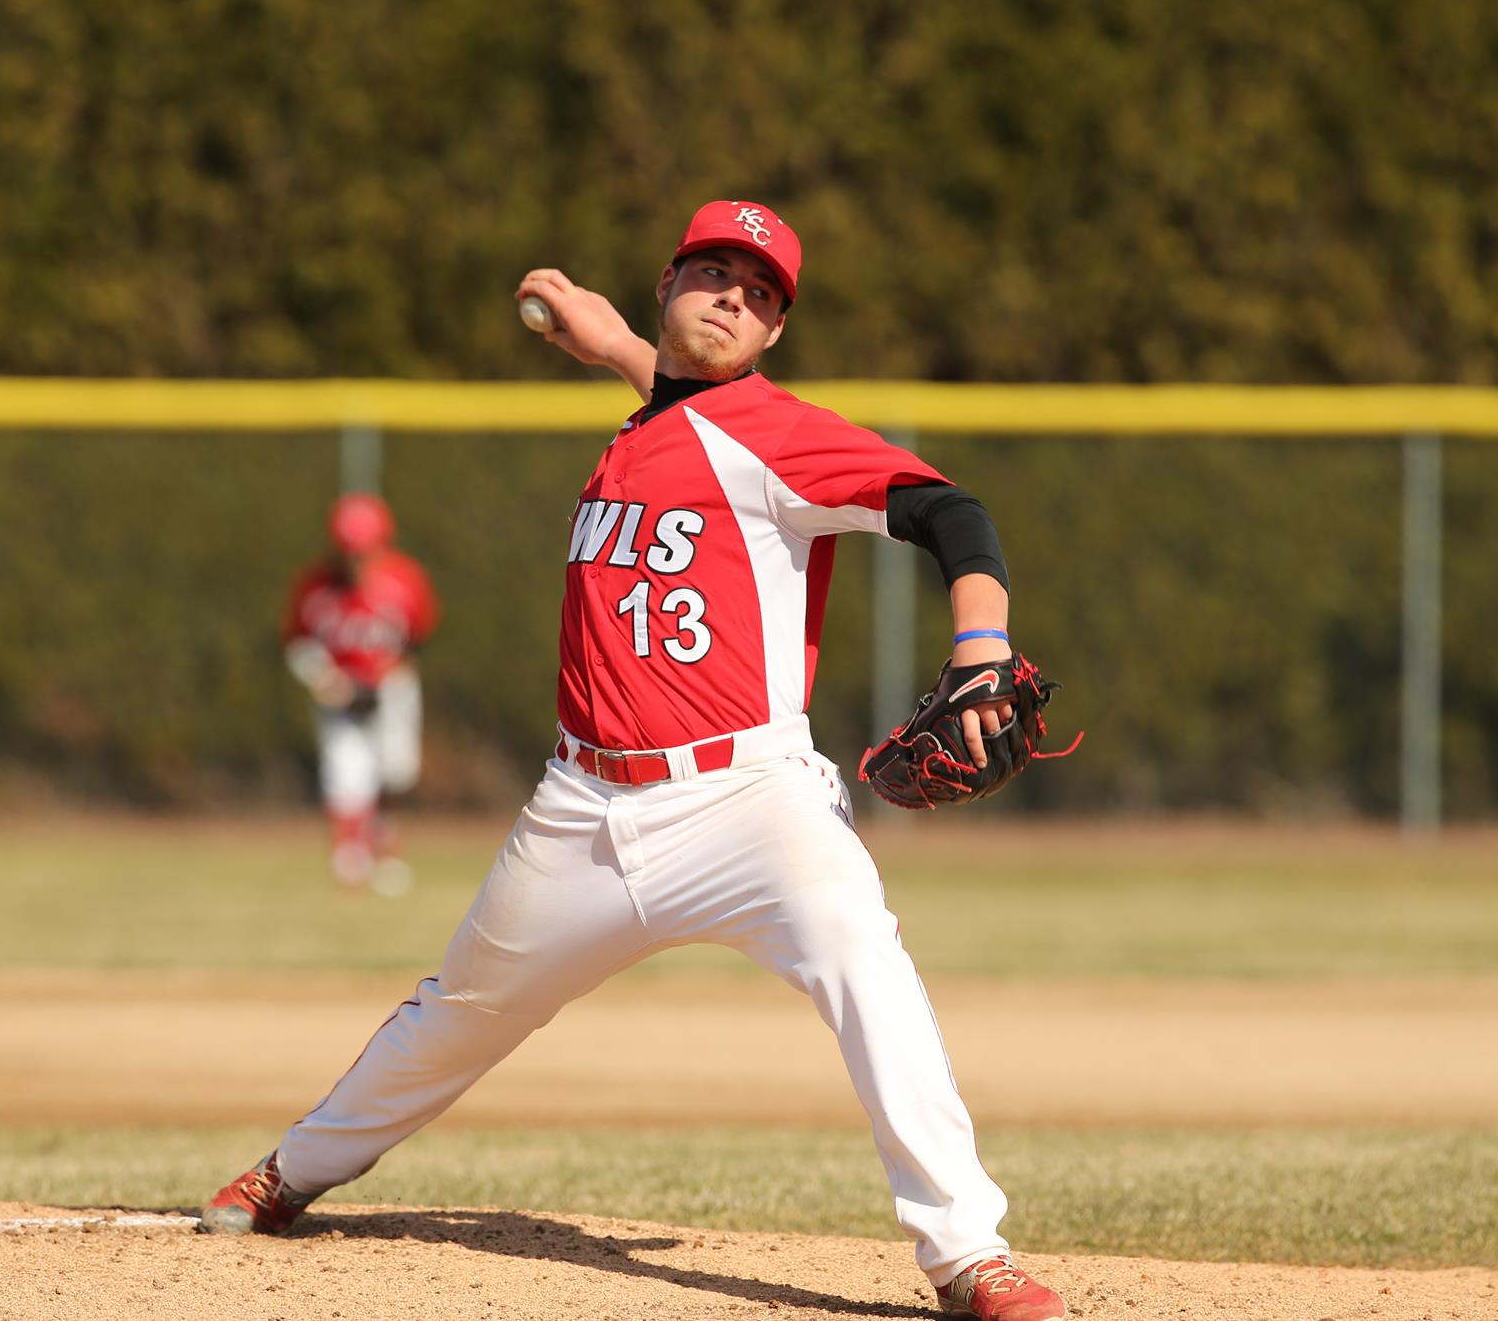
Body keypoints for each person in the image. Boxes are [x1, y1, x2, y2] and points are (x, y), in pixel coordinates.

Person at [204, 201, 1067, 1321]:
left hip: (752, 801)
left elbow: (954, 513)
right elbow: (671, 399)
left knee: (868, 969)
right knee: (459, 1007)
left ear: (773, 337)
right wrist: (610, 344)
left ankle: (968, 1256)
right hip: (581, 807)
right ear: (666, 285)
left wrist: (981, 643)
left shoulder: (780, 433)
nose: (731, 298)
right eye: (712, 273)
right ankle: (296, 1170)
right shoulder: (652, 417)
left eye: (758, 295)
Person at [278, 492, 439, 894]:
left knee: (395, 770)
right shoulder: (315, 585)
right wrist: (325, 679)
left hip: (391, 688)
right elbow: (296, 641)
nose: (356, 559)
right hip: (339, 689)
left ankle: (383, 844)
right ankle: (350, 854)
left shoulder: (404, 579)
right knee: (345, 771)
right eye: (350, 550)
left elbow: (417, 639)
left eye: (364, 550)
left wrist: (389, 677)